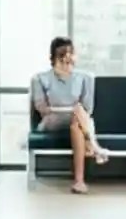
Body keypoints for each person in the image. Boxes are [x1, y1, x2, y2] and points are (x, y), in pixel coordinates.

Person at [30, 37, 109, 195]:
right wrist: (69, 109)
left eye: (71, 54)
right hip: (53, 120)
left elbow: (88, 108)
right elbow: (42, 109)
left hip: (78, 120)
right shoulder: (40, 79)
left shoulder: (85, 78)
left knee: (76, 124)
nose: (68, 59)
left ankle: (79, 182)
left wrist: (74, 111)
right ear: (53, 58)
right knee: (77, 112)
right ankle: (94, 146)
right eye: (62, 56)